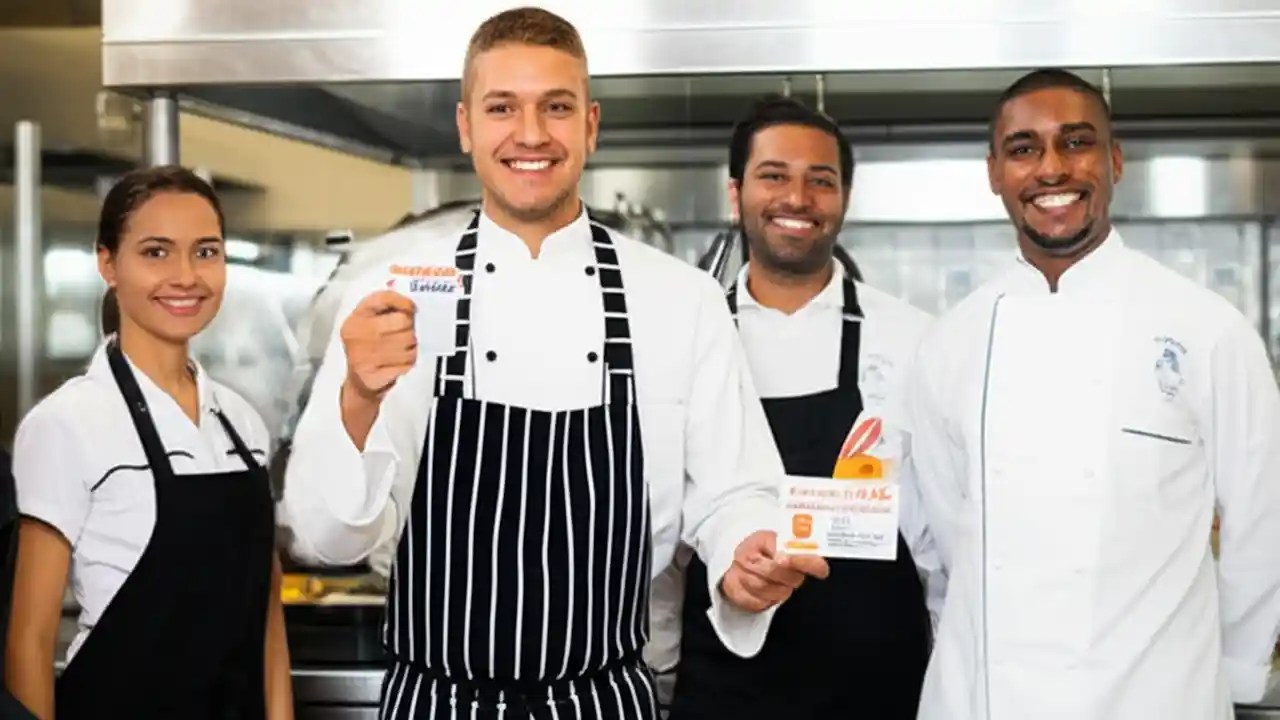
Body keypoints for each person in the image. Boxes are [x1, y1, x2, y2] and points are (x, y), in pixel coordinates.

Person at [279, 7, 826, 719]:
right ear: (466, 126)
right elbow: (327, 537)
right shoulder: (396, 296)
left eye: (556, 108)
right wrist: (357, 396)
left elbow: (734, 493)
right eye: (503, 107)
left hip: (602, 700)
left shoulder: (679, 299)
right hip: (439, 702)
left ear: (591, 125)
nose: (531, 134)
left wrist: (745, 560)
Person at [905, 68, 1280, 720]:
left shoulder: (1206, 329)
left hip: (1159, 700)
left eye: (1075, 143)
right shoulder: (950, 344)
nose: (1051, 169)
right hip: (985, 699)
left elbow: (1263, 525)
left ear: (1114, 161)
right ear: (994, 172)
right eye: (1023, 149)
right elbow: (944, 540)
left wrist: (1237, 674)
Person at [664, 95, 945, 720]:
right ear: (735, 194)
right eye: (774, 177)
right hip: (723, 689)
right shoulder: (688, 340)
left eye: (821, 181)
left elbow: (940, 546)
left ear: (844, 198)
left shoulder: (913, 340)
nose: (798, 198)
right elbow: (662, 539)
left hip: (880, 689)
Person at [3, 166, 293, 719]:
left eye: (206, 252)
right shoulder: (67, 423)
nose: (186, 276)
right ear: (108, 263)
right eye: (156, 253)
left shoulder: (242, 423)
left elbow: (267, 622)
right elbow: (30, 641)